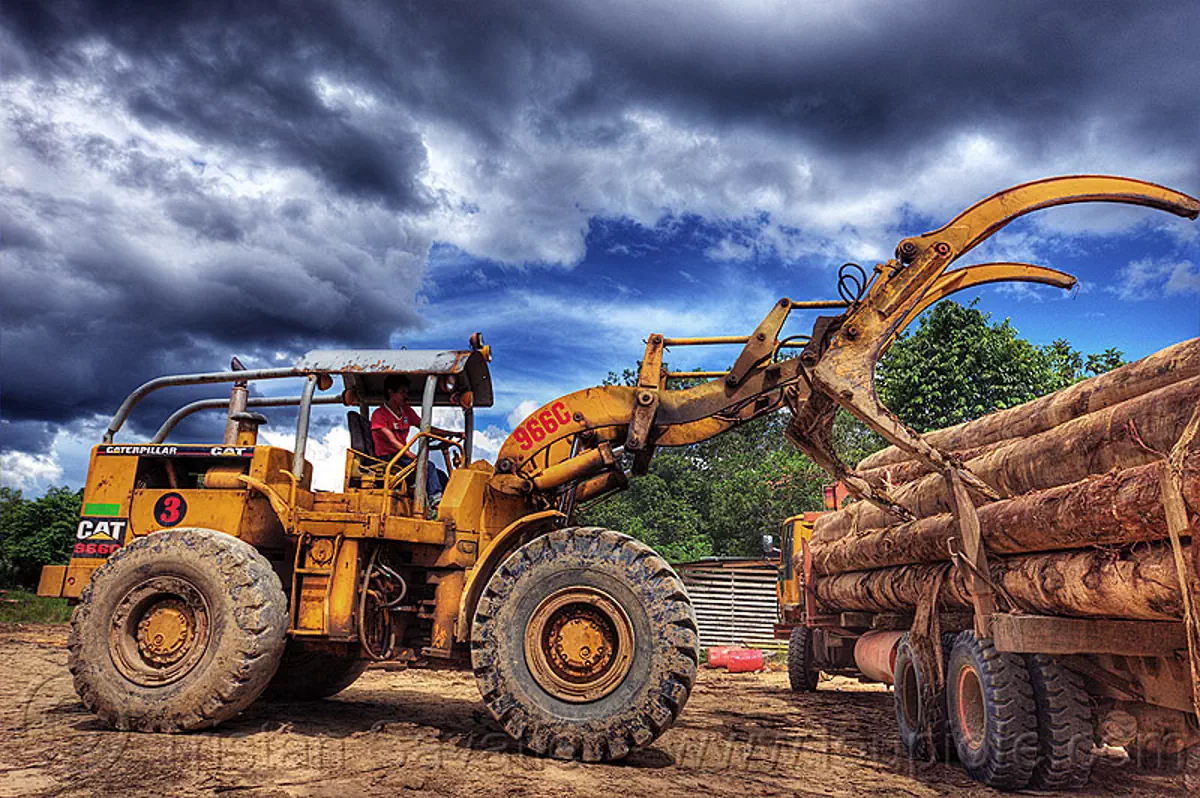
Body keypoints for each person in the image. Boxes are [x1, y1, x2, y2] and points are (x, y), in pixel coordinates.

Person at [370, 375, 451, 501]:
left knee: (439, 475)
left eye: (406, 392)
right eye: (402, 392)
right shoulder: (379, 415)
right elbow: (392, 441)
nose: (406, 396)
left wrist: (451, 433)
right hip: (388, 458)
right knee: (427, 466)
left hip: (402, 456)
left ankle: (447, 503)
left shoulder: (406, 411)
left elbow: (426, 427)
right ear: (391, 392)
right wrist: (412, 456)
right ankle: (435, 501)